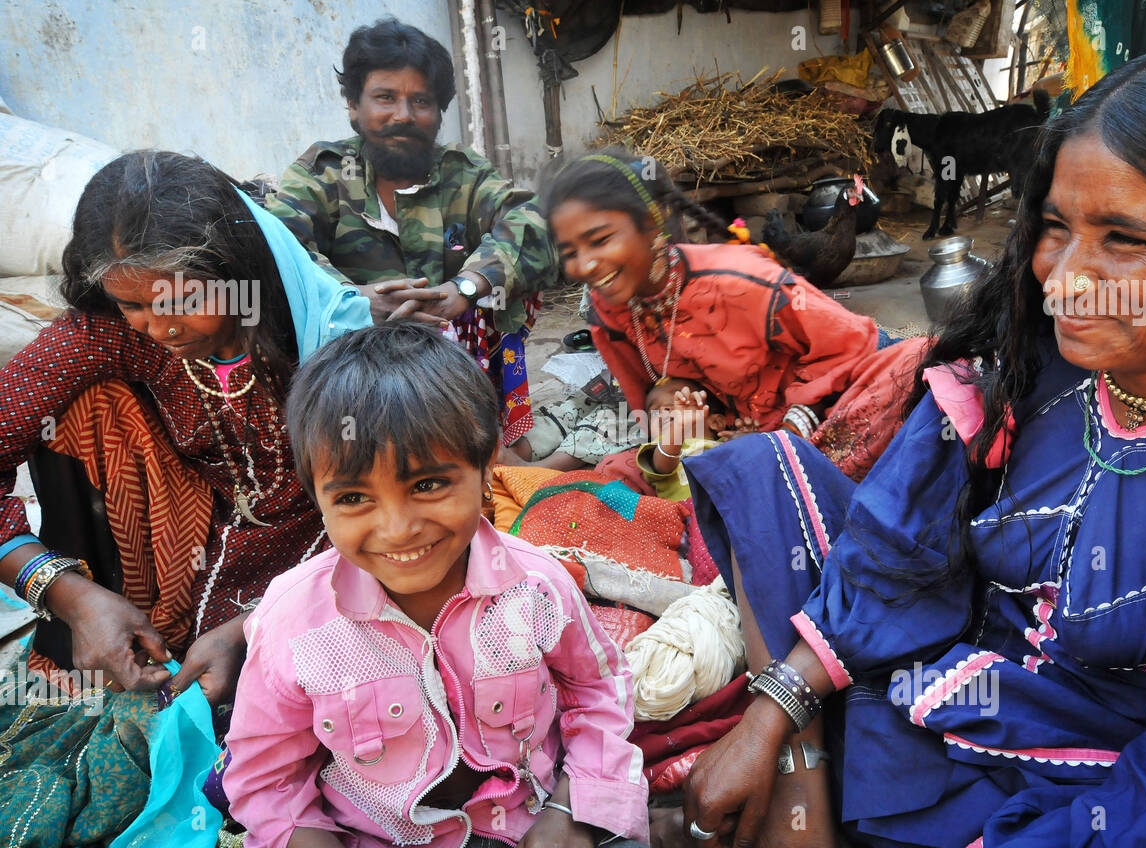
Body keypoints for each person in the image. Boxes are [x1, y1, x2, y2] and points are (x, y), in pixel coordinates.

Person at [680, 36, 1146, 848]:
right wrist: (773, 716)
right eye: (1055, 227)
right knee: (766, 477)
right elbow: (891, 546)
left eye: (1126, 239)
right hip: (956, 690)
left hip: (1112, 789)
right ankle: (809, 802)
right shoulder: (1022, 373)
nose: (1065, 279)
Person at [223, 321, 667, 848]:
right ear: (317, 497)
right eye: (354, 498)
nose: (398, 528)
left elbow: (597, 690)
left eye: (427, 485)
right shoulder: (293, 622)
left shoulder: (537, 587)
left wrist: (570, 814)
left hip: (531, 832)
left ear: (487, 469)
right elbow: (265, 779)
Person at [0, 149, 371, 702]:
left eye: (187, 299)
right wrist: (64, 591)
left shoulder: (326, 339)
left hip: (336, 549)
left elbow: (405, 513)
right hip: (186, 552)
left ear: (238, 273)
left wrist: (251, 627)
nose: (162, 328)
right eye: (134, 304)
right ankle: (95, 640)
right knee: (87, 409)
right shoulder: (110, 331)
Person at [542, 148, 926, 482]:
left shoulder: (742, 282)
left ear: (650, 222)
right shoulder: (609, 315)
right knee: (618, 471)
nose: (586, 264)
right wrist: (697, 438)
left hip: (828, 405)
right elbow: (651, 411)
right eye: (569, 251)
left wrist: (783, 434)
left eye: (600, 239)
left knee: (911, 368)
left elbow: (856, 345)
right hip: (737, 433)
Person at [265, 17, 558, 447]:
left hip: (454, 367)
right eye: (385, 97)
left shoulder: (464, 173)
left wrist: (467, 285)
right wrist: (352, 301)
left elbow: (536, 223)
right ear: (353, 105)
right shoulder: (323, 174)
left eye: (421, 101)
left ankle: (490, 441)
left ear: (438, 112)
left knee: (513, 278)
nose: (403, 115)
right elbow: (280, 248)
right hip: (353, 366)